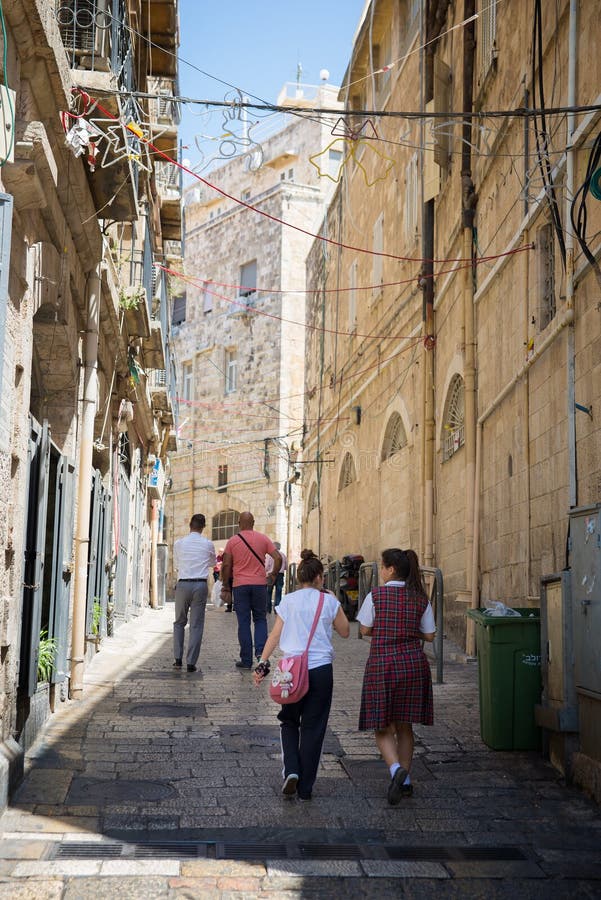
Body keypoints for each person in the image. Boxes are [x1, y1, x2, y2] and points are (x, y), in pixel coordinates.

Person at [254, 549, 350, 801]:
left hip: (291, 671)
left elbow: (274, 636)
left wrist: (262, 663)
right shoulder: (329, 600)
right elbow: (345, 631)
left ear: (299, 578)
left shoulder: (288, 601)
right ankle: (306, 787)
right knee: (313, 727)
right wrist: (332, 600)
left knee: (288, 721)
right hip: (320, 670)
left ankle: (292, 771)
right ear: (320, 577)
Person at [357, 548, 435, 805]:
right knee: (405, 726)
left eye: (382, 566)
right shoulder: (420, 598)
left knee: (382, 726)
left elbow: (365, 629)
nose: (380, 571)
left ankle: (396, 771)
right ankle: (407, 781)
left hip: (383, 664)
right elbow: (430, 635)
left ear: (391, 569)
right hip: (413, 664)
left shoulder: (376, 596)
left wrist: (387, 628)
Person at [220, 512, 282, 669]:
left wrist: (226, 586)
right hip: (260, 585)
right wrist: (273, 575)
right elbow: (278, 558)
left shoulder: (233, 541)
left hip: (240, 586)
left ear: (239, 523)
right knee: (260, 619)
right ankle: (262, 655)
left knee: (244, 622)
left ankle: (246, 660)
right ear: (253, 522)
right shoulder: (263, 538)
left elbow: (226, 565)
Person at [172, 513, 216, 672]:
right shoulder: (208, 544)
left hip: (183, 585)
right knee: (196, 625)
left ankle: (177, 659)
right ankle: (191, 662)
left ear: (190, 525)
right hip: (200, 585)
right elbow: (212, 562)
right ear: (203, 527)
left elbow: (177, 564)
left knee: (179, 622)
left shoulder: (179, 543)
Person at [266, 541, 288, 613]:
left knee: (268, 591)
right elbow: (286, 567)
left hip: (271, 574)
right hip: (280, 575)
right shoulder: (283, 555)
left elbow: (266, 566)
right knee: (279, 592)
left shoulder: (269, 555)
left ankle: (267, 608)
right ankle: (277, 609)